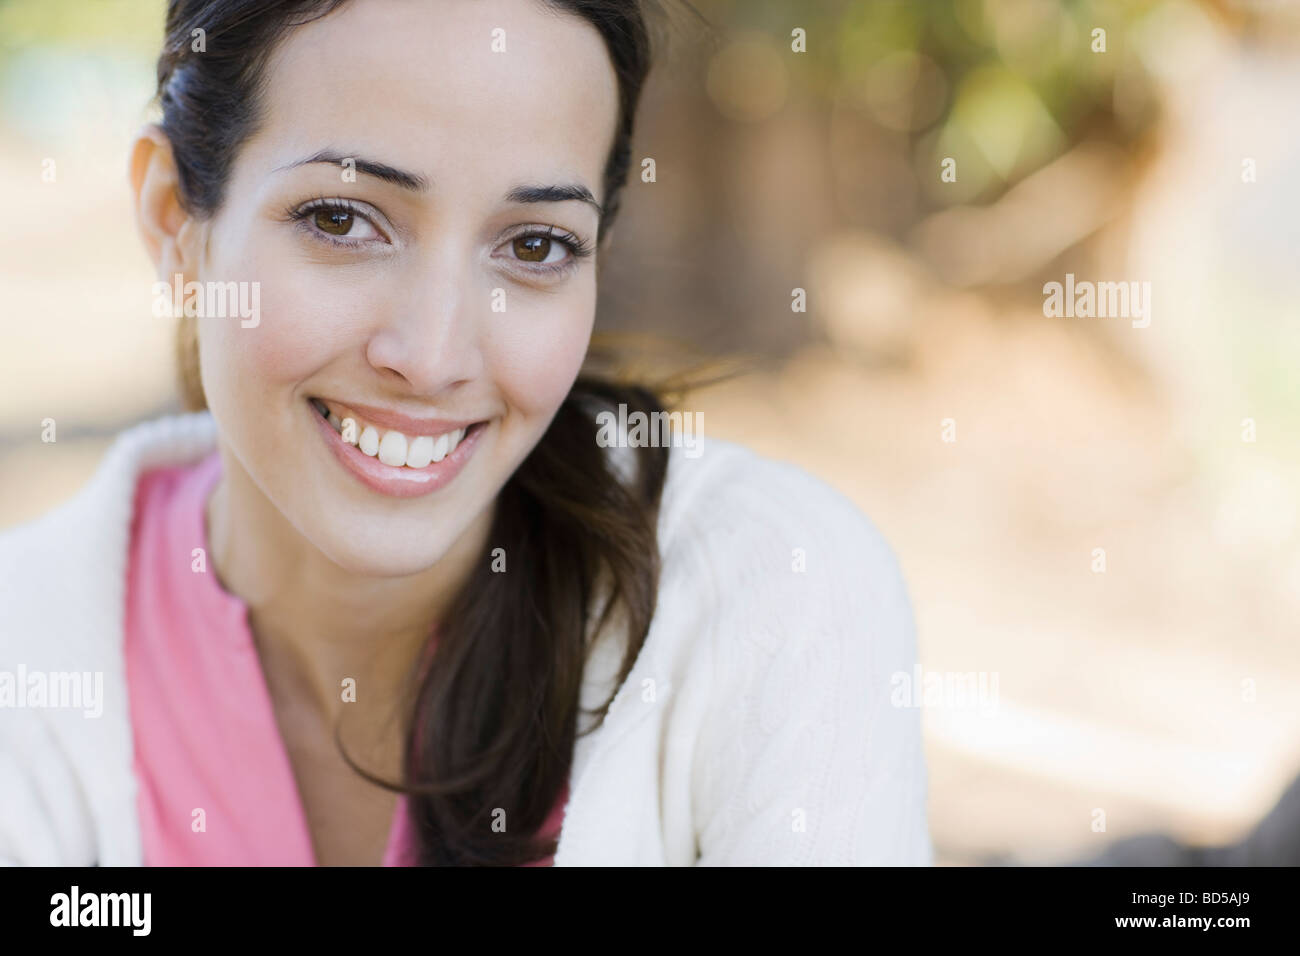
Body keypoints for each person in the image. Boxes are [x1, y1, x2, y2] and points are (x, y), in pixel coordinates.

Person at [0, 0, 931, 866]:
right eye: (342, 219)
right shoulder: (28, 662)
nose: (434, 354)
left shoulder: (773, 597)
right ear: (175, 222)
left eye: (534, 245)